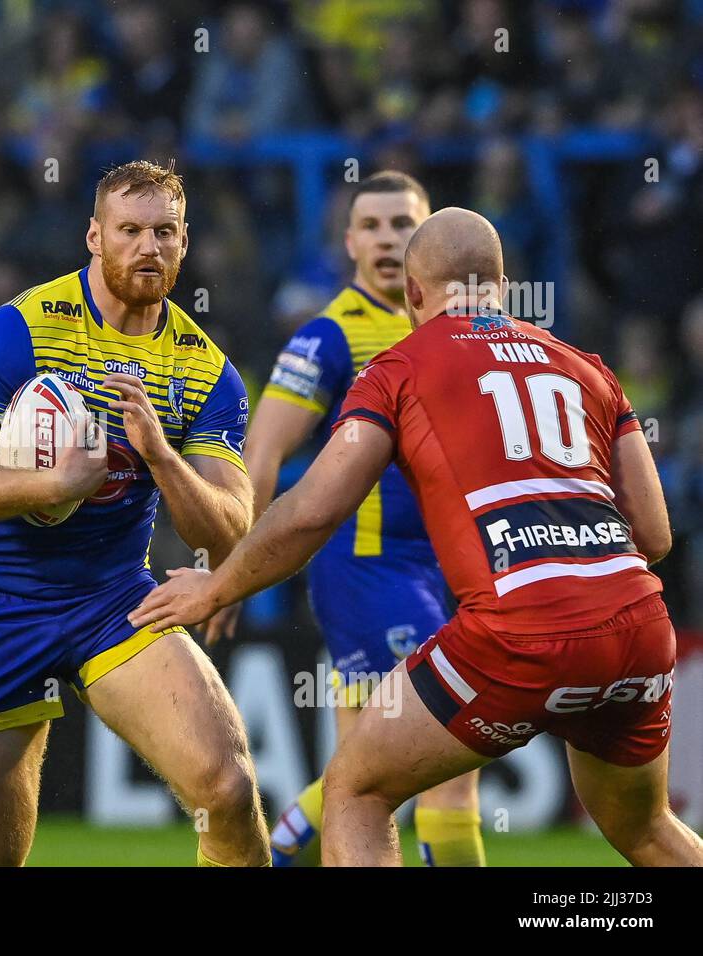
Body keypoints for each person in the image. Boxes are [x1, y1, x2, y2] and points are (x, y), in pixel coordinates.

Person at [131, 207, 703, 867]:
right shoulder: (587, 368)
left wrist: (218, 585)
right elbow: (653, 534)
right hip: (637, 626)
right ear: (504, 285)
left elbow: (313, 511)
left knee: (356, 790)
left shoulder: (398, 367)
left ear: (412, 295)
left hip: (518, 628)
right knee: (646, 831)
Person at [0, 160, 271, 866]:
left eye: (164, 232)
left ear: (186, 242)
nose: (148, 247)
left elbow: (228, 530)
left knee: (226, 788)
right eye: (129, 230)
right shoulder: (24, 329)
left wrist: (162, 457)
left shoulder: (205, 370)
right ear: (94, 237)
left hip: (111, 598)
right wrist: (51, 486)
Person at [206, 171, 483, 867]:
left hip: (441, 573)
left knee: (364, 775)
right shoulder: (331, 337)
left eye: (404, 225)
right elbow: (263, 451)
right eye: (375, 226)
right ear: (351, 241)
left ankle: (270, 854)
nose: (389, 239)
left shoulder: (454, 331)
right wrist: (230, 566)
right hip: (367, 573)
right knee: (451, 758)